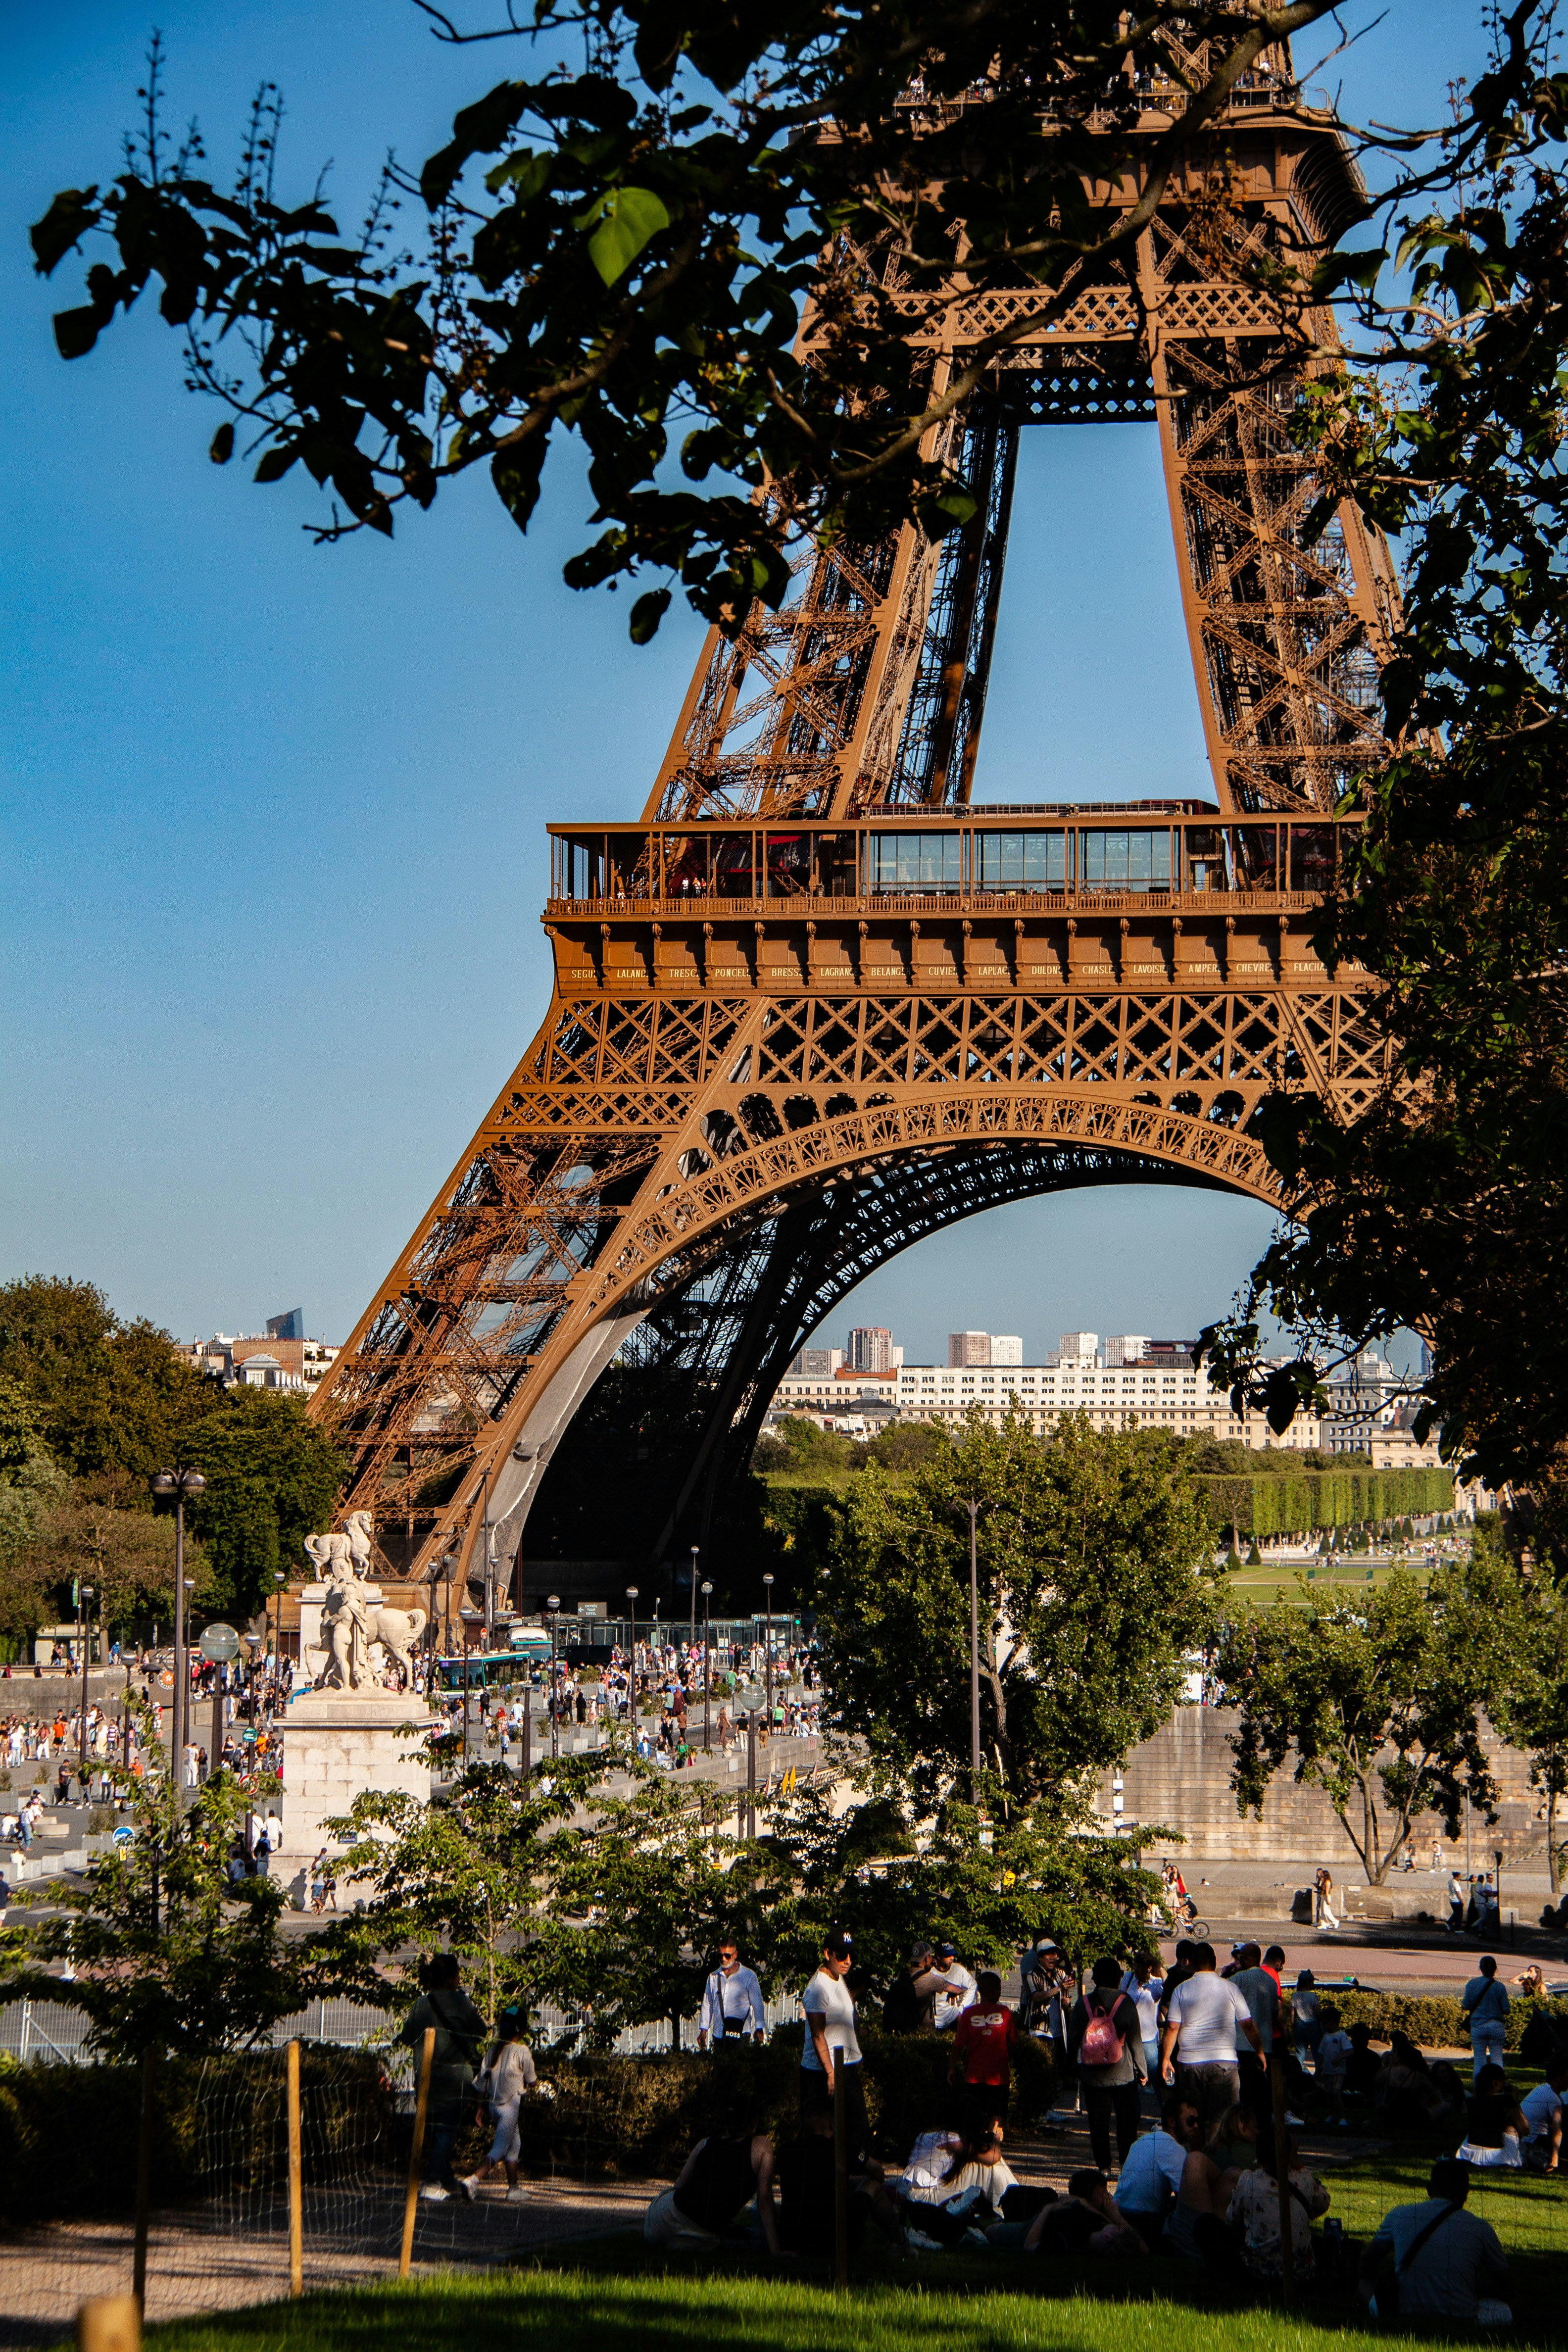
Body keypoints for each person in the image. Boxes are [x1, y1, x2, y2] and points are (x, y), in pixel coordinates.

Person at [1359, 2157, 1511, 2326]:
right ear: (1466, 2192)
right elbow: (1504, 2285)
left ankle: (1370, 2312)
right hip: (1461, 2318)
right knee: (1504, 2311)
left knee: (1364, 2284)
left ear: (1429, 2189)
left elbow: (1367, 2263)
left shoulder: (1399, 2215)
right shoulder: (1480, 2227)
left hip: (1401, 2313)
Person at [397, 1953, 489, 2201]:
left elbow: (406, 2036)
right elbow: (481, 2031)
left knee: (437, 2132)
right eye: (458, 1974)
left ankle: (446, 2180)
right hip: (455, 2081)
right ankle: (431, 2181)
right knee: (445, 2133)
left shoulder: (421, 2004)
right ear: (450, 1979)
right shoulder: (460, 2002)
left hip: (426, 2079)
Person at [644, 2102, 780, 2253]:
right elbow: (764, 2201)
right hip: (696, 2229)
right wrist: (776, 2251)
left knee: (717, 2240)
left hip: (659, 2218)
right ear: (753, 2123)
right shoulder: (762, 2146)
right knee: (719, 2241)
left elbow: (679, 2184)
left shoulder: (705, 2143)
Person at [1159, 1941, 1263, 2138]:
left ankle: (1197, 2158)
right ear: (1215, 1963)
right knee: (1222, 2117)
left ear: (1193, 1964)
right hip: (1224, 2061)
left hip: (1190, 2062)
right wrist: (1259, 2051)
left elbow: (1172, 2027)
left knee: (1193, 2117)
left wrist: (1166, 2059)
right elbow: (1247, 2024)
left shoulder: (1182, 1989)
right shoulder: (1230, 1989)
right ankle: (1216, 2158)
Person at [775, 2106, 902, 2256]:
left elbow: (814, 2174)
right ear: (831, 2123)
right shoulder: (844, 2149)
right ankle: (900, 2242)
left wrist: (850, 2180)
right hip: (834, 2240)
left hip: (793, 2241)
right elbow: (878, 2172)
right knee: (873, 2185)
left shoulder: (787, 2151)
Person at [799, 1930, 873, 2170]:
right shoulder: (817, 1989)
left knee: (857, 2129)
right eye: (841, 1956)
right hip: (824, 2071)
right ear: (827, 1954)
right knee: (824, 2132)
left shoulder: (837, 1977)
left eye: (851, 1955)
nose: (848, 1961)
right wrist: (831, 2073)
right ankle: (828, 2184)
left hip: (847, 2065)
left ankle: (852, 2180)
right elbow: (818, 2034)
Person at [1069, 1956, 1146, 2176]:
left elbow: (1074, 2039)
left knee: (1098, 2124)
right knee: (1127, 2124)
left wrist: (1070, 2067)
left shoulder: (1083, 2004)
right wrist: (1142, 2069)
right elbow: (1135, 2041)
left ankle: (1104, 2167)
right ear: (1117, 1979)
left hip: (1093, 2076)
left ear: (1094, 1979)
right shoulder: (1126, 2003)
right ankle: (1126, 2166)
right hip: (1123, 2076)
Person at [460, 2008, 537, 2200]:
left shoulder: (493, 2051)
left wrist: (480, 2107)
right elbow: (532, 2080)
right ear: (522, 2030)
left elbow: (481, 2082)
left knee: (515, 2144)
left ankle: (513, 2189)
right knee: (499, 2149)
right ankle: (473, 2181)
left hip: (493, 2107)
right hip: (510, 2107)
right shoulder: (522, 2051)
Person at [1113, 2092, 1196, 2249]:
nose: (1196, 2126)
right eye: (1191, 2121)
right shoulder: (1174, 2149)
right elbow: (1187, 2199)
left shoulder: (1141, 2141)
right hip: (1146, 2223)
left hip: (1121, 2213)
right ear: (1172, 2122)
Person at [1022, 2167, 1144, 2260]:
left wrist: (1114, 2215)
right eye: (1103, 2192)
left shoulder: (1103, 2223)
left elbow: (1142, 2248)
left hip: (1037, 2227)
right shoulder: (1099, 2221)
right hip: (1032, 2225)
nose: (1109, 2196)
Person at [952, 1971, 1017, 2118]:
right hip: (999, 2077)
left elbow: (958, 2045)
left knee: (975, 2118)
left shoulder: (968, 2013)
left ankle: (977, 2140)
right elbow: (1013, 2040)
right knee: (997, 2118)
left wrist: (952, 2067)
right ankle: (994, 2141)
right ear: (995, 1991)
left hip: (974, 2076)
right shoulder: (1005, 2013)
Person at [1456, 2062, 1527, 2168]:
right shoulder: (1505, 2101)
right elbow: (1525, 2130)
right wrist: (1515, 2102)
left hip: (1469, 2152)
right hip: (1495, 2155)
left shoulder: (1471, 2101)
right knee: (1512, 2127)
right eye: (1504, 2080)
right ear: (1496, 2083)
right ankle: (1514, 2159)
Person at [699, 1940, 766, 2049]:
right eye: (720, 1956)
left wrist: (759, 2029)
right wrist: (703, 2030)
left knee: (738, 2065)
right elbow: (708, 2005)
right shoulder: (713, 1977)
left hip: (741, 2034)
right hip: (719, 2034)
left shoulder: (749, 1976)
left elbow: (758, 2004)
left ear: (735, 1955)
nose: (723, 1959)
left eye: (727, 1956)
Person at [1119, 1952, 1165, 2096]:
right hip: (1128, 2035)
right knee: (1128, 2074)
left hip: (1148, 2037)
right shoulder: (1128, 1978)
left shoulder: (1156, 1984)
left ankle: (1159, 2106)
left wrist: (1160, 1966)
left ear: (1149, 1968)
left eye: (1140, 1967)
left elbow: (1170, 1987)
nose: (1136, 1970)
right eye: (1135, 1966)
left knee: (1154, 2072)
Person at [1460, 1955, 1510, 2082]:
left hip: (1478, 2026)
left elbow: (1466, 2005)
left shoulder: (1472, 1984)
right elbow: (1506, 2009)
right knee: (1497, 2059)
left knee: (1479, 2060)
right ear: (1495, 1969)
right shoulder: (1499, 1987)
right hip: (1496, 2025)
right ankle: (1499, 2088)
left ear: (1480, 1968)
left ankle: (1479, 2089)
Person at [1519, 2059, 1567, 2172]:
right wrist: (1555, 2159)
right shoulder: (1552, 2098)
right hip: (1534, 2142)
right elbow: (1558, 2130)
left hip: (1525, 2141)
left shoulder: (1542, 2089)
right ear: (1558, 2077)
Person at [882, 1942, 938, 2034]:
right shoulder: (929, 1978)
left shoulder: (903, 1974)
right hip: (922, 2032)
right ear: (927, 1958)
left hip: (903, 2030)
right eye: (931, 1957)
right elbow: (958, 1989)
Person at [928, 1942, 977, 2030]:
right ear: (939, 1956)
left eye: (953, 1955)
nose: (952, 1958)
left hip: (953, 2021)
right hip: (934, 2023)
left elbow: (972, 1985)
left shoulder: (958, 1969)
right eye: (948, 1956)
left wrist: (962, 2008)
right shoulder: (930, 1972)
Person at [1291, 1969, 1322, 2064]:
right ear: (1308, 1983)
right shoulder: (1313, 1996)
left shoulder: (1295, 1996)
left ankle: (1298, 2071)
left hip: (1299, 2025)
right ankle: (1318, 2073)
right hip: (1312, 2024)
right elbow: (1317, 2012)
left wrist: (1293, 2025)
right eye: (1312, 1982)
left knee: (1300, 2052)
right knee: (1316, 2051)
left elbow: (1293, 2013)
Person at [1313, 1865, 1338, 1930]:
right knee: (1323, 1912)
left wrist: (1328, 1899)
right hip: (1323, 1896)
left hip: (1326, 1897)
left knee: (1326, 1912)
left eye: (1323, 1875)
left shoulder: (1328, 1882)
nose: (1322, 1876)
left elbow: (1327, 1892)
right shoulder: (1324, 1881)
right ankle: (1324, 1924)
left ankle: (1335, 1921)